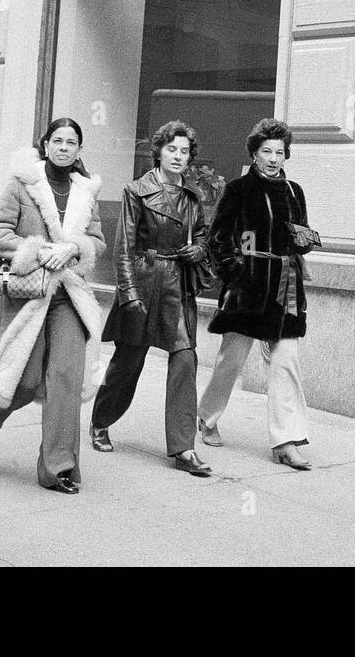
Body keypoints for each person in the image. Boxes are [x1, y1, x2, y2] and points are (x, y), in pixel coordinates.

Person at [0, 118, 105, 494]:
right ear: (45, 145)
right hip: (29, 293)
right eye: (57, 140)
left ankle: (58, 467)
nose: (63, 147)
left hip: (69, 295)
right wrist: (42, 251)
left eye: (71, 142)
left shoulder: (85, 192)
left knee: (65, 379)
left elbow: (97, 241)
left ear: (79, 150)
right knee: (25, 379)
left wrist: (75, 248)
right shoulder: (22, 184)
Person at [88, 121, 213, 477]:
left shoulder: (191, 196)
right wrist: (127, 291)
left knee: (185, 359)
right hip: (144, 280)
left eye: (184, 151)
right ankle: (101, 420)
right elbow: (124, 246)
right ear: (158, 151)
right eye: (171, 149)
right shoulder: (136, 191)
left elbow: (202, 232)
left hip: (178, 284)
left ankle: (184, 448)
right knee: (128, 361)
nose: (178, 156)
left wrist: (199, 248)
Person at [198, 119, 316, 471]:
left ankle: (286, 440)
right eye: (267, 151)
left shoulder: (295, 191)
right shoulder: (237, 190)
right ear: (254, 153)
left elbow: (302, 235)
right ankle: (207, 417)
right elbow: (219, 238)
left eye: (280, 152)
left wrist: (303, 241)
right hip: (247, 289)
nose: (273, 158)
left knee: (286, 362)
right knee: (230, 361)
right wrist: (236, 270)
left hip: (285, 288)